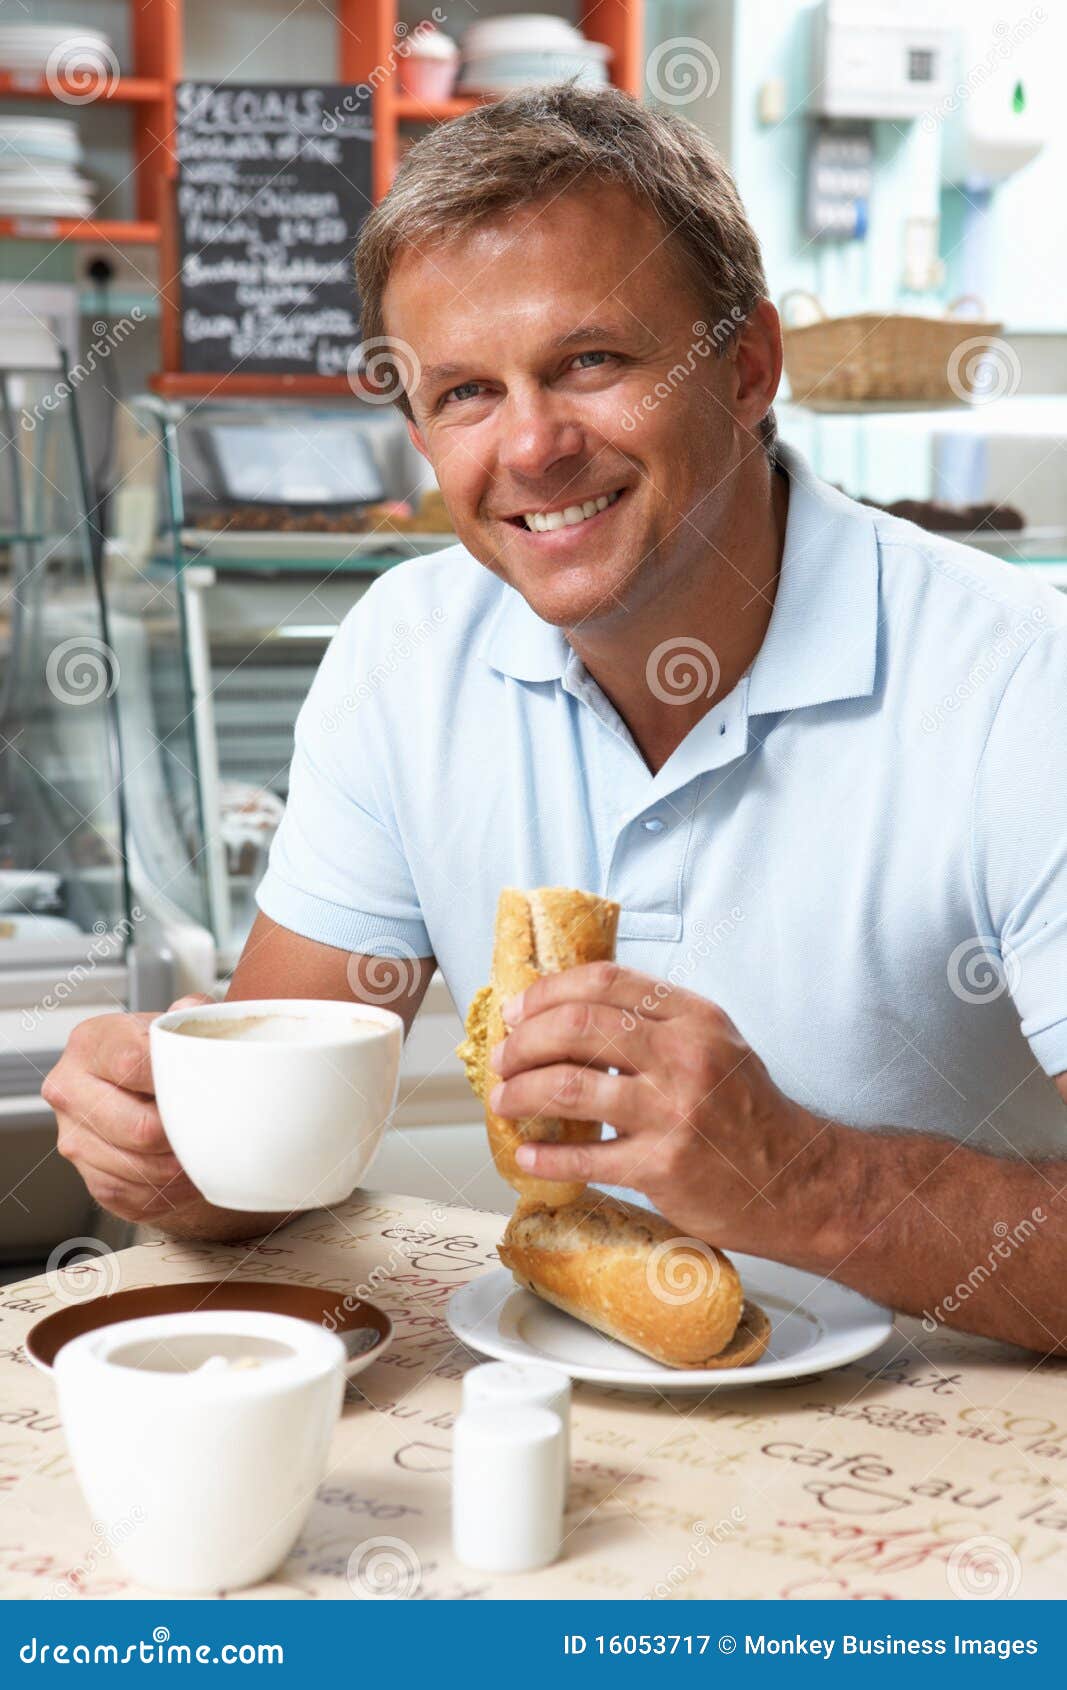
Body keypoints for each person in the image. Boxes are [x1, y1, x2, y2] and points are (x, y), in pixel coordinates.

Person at [44, 85, 1067, 1353]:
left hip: (955, 1490)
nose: (529, 447)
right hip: (562, 1463)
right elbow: (266, 1161)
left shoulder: (1021, 679)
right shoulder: (401, 657)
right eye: (465, 392)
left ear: (744, 366)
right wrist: (178, 1142)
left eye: (590, 361)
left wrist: (804, 1181)